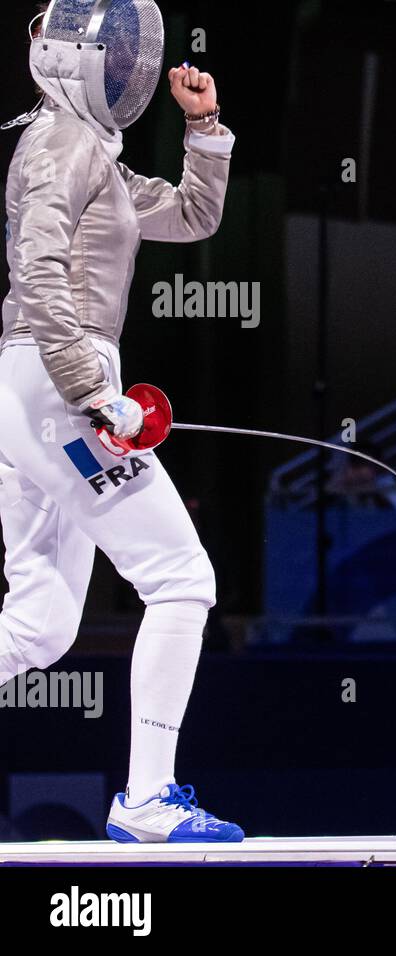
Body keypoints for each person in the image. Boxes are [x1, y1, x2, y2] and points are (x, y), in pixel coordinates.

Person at [0, 2, 242, 842]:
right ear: (79, 61)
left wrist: (203, 126)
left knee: (35, 629)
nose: (134, 71)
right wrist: (88, 391)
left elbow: (190, 215)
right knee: (181, 578)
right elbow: (36, 267)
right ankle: (146, 800)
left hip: (35, 388)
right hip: (56, 377)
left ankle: (146, 800)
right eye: (121, 58)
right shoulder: (61, 143)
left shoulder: (90, 150)